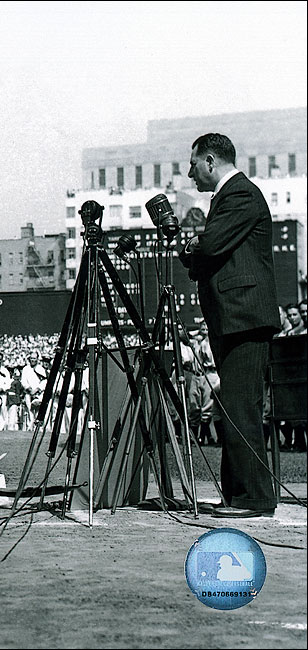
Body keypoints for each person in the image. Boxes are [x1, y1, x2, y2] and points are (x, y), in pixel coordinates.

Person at [181, 133, 280, 518]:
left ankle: (253, 498)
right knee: (234, 407)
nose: (190, 173)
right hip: (235, 318)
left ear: (210, 160)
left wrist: (193, 246)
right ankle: (237, 494)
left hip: (243, 318)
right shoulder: (231, 196)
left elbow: (209, 247)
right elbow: (208, 248)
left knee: (241, 408)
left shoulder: (238, 194)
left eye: (193, 164)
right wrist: (197, 246)